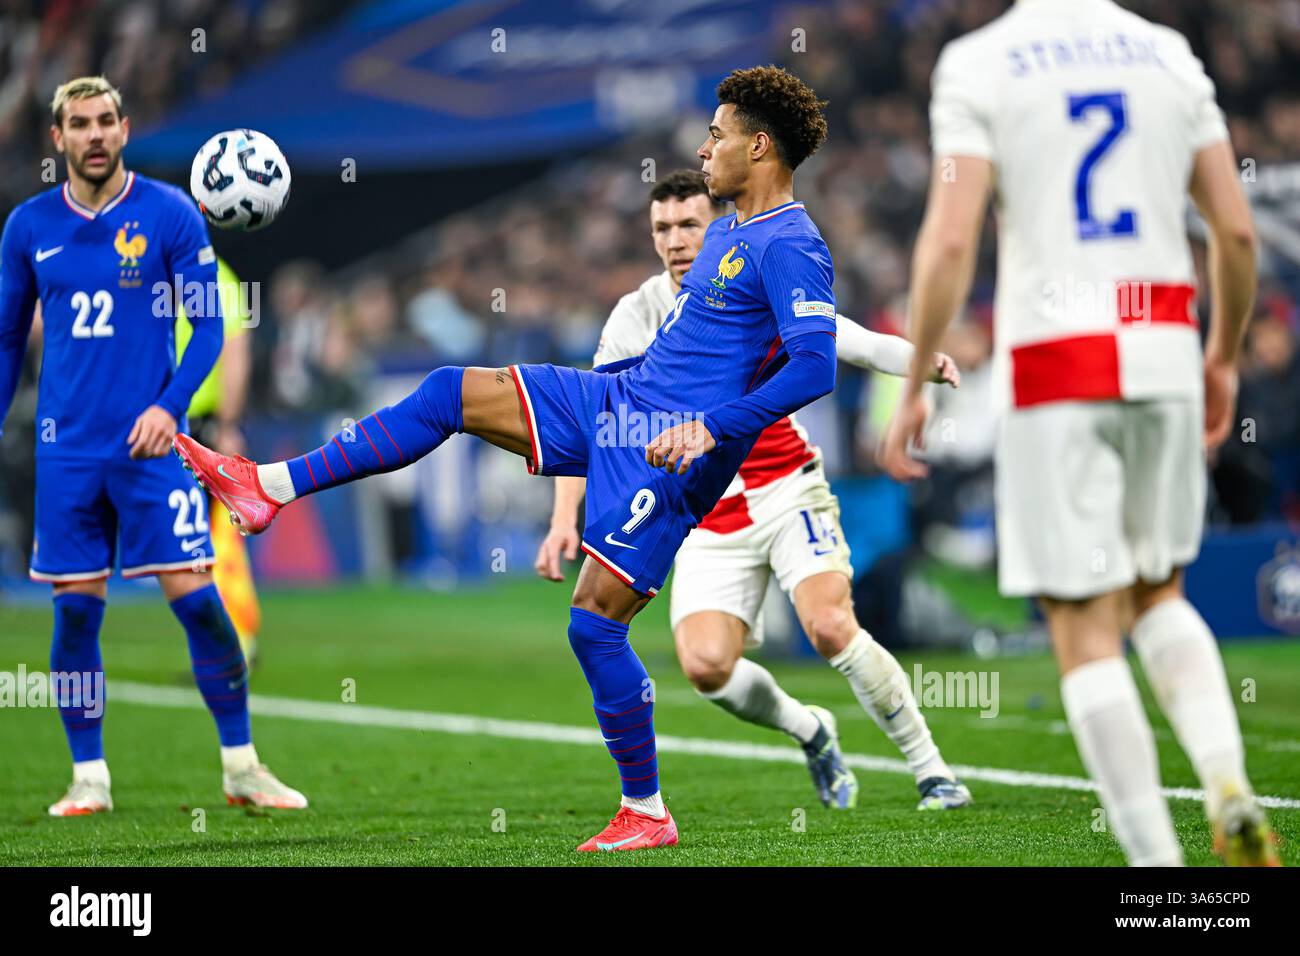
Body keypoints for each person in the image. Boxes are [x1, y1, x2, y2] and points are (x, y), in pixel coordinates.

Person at [176, 66, 839, 852]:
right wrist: (615, 384)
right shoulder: (729, 229)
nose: (705, 147)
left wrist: (710, 427)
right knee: (449, 391)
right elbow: (696, 349)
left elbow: (814, 365)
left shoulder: (794, 244)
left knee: (595, 627)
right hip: (619, 403)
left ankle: (648, 811)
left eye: (718, 134)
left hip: (669, 456)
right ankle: (269, 488)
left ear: (759, 145)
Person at [879, 0, 1277, 866]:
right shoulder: (1169, 54)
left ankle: (1161, 874)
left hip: (1059, 363)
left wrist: (915, 383)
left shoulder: (981, 61)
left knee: (1083, 626)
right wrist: (1222, 356)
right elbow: (1237, 232)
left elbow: (949, 244)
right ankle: (1226, 783)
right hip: (1166, 342)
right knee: (1159, 593)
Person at [536, 169, 971, 811]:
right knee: (708, 667)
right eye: (662, 229)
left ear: (716, 231)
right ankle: (811, 729)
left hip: (784, 487)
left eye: (690, 225)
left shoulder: (754, 273)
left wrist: (919, 359)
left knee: (829, 625)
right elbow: (593, 421)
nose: (677, 241)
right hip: (707, 518)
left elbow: (847, 341)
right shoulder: (636, 315)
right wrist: (563, 516)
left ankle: (932, 769)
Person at [0, 76, 305, 815]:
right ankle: (89, 778)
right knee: (75, 614)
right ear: (58, 138)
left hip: (150, 452)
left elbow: (209, 327)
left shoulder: (169, 214)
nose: (95, 134)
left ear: (125, 128)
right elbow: (9, 338)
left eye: (106, 120)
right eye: (80, 124)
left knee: (199, 604)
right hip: (66, 452)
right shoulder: (27, 226)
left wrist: (171, 408)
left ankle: (241, 766)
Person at [176, 256, 263, 666]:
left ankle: (234, 640)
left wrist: (228, 423)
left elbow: (236, 346)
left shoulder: (212, 275)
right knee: (195, 537)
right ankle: (222, 640)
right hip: (167, 424)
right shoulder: (159, 272)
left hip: (201, 428)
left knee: (214, 534)